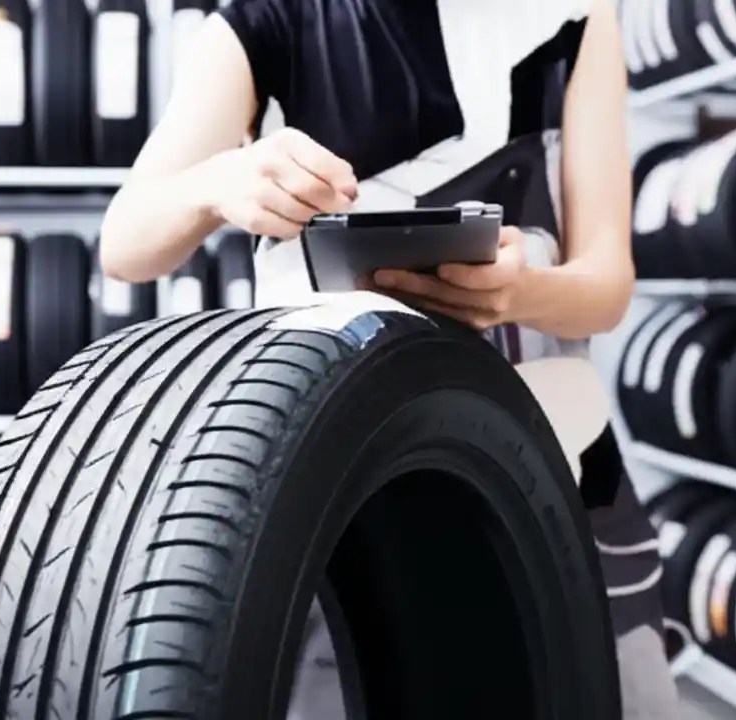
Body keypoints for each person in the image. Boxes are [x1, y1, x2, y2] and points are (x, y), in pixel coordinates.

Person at [100, 1, 679, 716]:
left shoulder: (575, 15)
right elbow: (125, 243)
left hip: (553, 443)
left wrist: (522, 291)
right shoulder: (267, 18)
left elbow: (606, 286)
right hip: (327, 463)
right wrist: (219, 183)